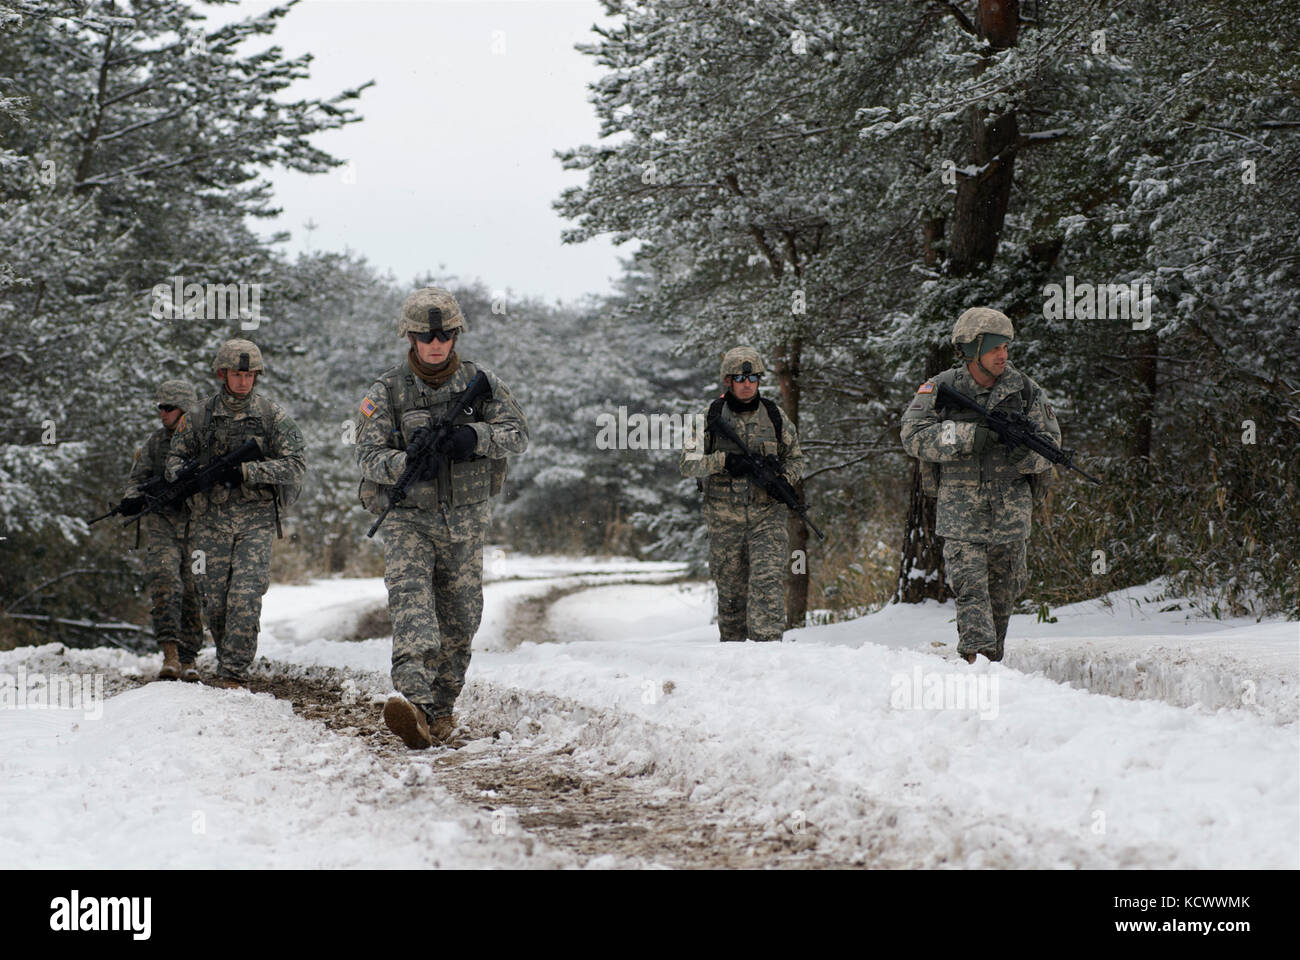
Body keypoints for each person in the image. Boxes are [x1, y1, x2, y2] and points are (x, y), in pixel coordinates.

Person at [356, 287, 528, 748]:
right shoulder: (387, 390)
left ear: (455, 335)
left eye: (444, 334)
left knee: (461, 620)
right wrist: (404, 464)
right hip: (409, 521)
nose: (435, 343)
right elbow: (367, 456)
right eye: (425, 336)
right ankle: (413, 702)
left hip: (466, 523)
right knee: (414, 609)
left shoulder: (482, 383)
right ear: (410, 338)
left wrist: (473, 438)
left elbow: (517, 434)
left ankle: (441, 709)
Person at [900, 307, 1061, 662]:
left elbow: (1049, 450)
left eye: (1005, 346)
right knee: (971, 591)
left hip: (1011, 514)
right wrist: (970, 436)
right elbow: (912, 437)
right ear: (972, 350)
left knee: (1003, 596)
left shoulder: (1026, 391)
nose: (1002, 355)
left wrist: (1021, 451)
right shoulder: (941, 388)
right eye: (993, 348)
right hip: (961, 513)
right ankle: (976, 661)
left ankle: (992, 667)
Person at [166, 339, 306, 688]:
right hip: (210, 521)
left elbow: (295, 465)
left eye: (249, 375)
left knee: (246, 594)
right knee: (214, 597)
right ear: (221, 374)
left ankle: (233, 671)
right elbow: (173, 461)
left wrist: (246, 472)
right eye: (237, 374)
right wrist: (183, 473)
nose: (243, 381)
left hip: (255, 520)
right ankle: (226, 657)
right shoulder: (198, 416)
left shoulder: (272, 415)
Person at [679, 346, 804, 643]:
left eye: (752, 377)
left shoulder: (775, 417)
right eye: (739, 377)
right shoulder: (709, 417)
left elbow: (796, 459)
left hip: (767, 515)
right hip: (724, 518)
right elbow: (686, 463)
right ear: (728, 380)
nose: (747, 383)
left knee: (767, 582)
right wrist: (723, 461)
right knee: (732, 592)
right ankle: (733, 659)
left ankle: (768, 653)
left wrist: (784, 479)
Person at [120, 380, 204, 682]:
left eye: (169, 408)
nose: (162, 413)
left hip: (197, 525)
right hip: (163, 524)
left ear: (185, 411)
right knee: (165, 583)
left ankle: (189, 657)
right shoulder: (155, 444)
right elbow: (136, 479)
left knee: (193, 590)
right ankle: (170, 655)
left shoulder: (203, 441)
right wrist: (133, 498)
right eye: (161, 407)